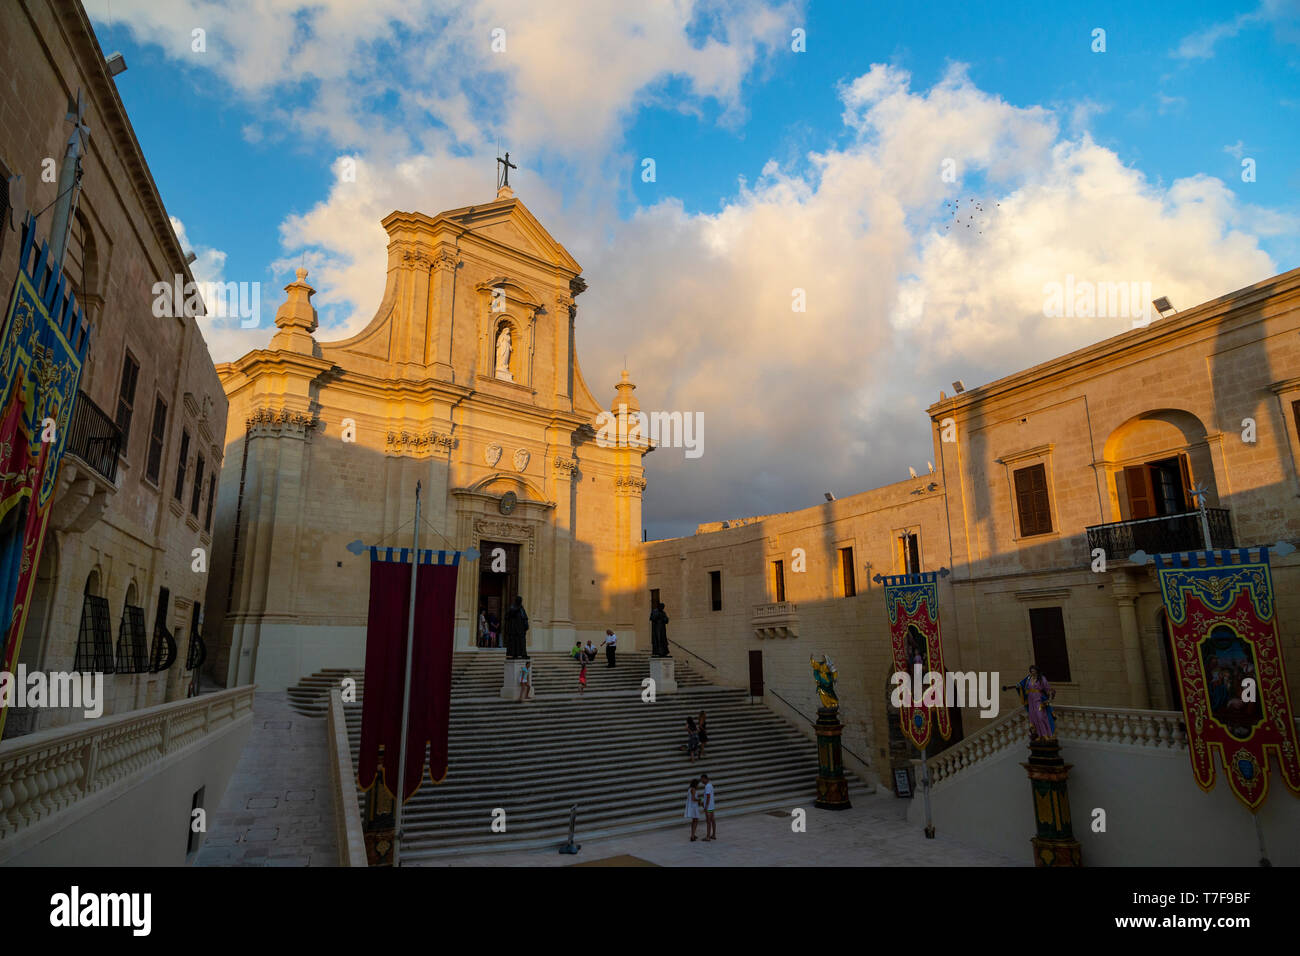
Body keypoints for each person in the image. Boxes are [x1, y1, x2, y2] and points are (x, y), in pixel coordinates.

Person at [504, 595, 529, 659]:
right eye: (519, 600)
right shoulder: (513, 607)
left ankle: (523, 654)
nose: (520, 602)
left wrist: (526, 624)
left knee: (522, 642)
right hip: (514, 629)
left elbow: (525, 617)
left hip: (521, 629)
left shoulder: (521, 608)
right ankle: (514, 654)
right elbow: (508, 615)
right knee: (514, 642)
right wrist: (517, 609)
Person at [700, 774, 716, 841]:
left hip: (708, 807)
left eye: (702, 780)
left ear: (705, 778)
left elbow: (708, 796)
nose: (701, 781)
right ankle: (713, 835)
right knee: (712, 820)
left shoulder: (707, 786)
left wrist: (706, 806)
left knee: (708, 821)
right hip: (711, 806)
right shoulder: (710, 785)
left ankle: (708, 836)